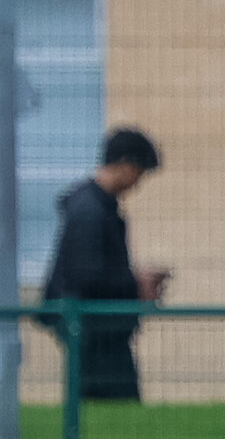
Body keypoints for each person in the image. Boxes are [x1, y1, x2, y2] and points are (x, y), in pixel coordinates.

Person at [42, 128, 168, 401]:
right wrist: (136, 283)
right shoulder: (90, 212)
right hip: (94, 331)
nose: (138, 182)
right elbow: (86, 276)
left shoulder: (94, 207)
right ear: (124, 165)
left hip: (96, 329)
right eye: (139, 171)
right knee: (113, 402)